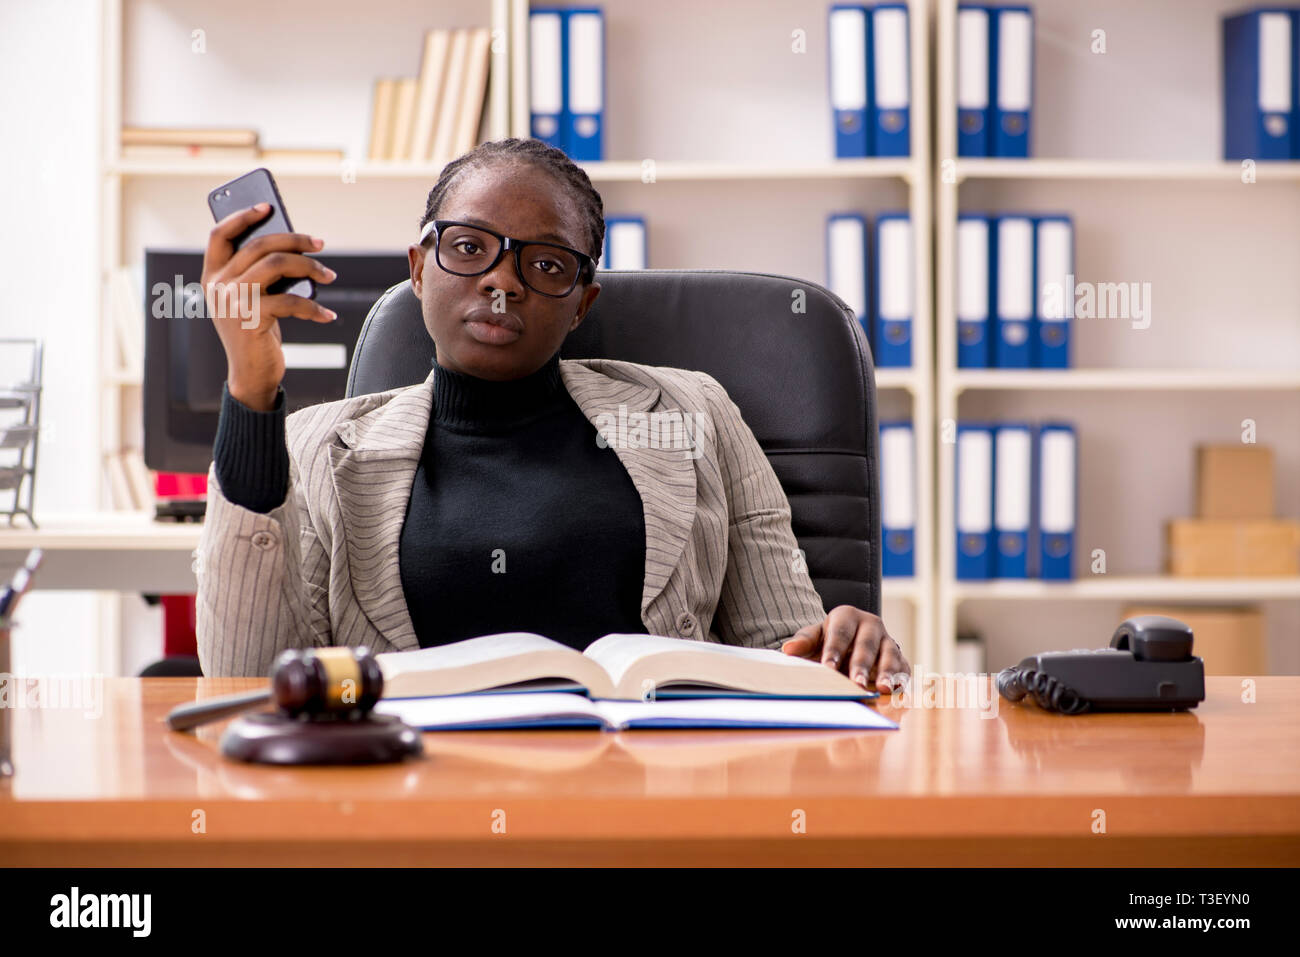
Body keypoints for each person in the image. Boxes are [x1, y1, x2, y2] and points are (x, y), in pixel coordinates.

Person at [195, 137, 910, 692]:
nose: (502, 281)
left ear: (582, 303)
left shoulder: (695, 414)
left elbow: (784, 652)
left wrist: (840, 648)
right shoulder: (317, 448)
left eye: (544, 265)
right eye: (469, 247)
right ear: (418, 268)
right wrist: (252, 388)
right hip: (416, 806)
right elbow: (246, 674)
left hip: (655, 802)